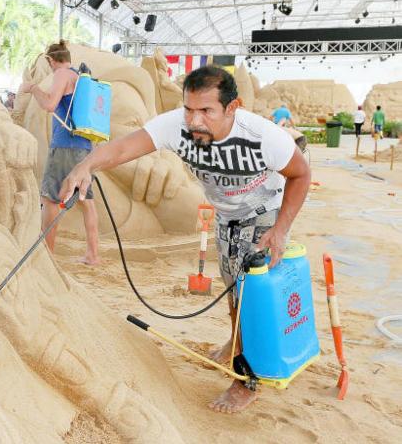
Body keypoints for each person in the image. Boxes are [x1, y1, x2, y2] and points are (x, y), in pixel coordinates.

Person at [59, 66, 311, 413]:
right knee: (231, 287)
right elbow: (122, 149)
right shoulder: (175, 124)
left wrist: (280, 229)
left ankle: (246, 380)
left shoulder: (263, 136)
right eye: (189, 109)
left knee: (251, 294)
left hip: (265, 210)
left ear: (232, 107)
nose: (194, 121)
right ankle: (236, 338)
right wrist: (84, 167)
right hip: (226, 214)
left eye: (206, 111)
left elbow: (301, 174)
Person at [19, 40, 100, 265]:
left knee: (50, 199)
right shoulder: (78, 76)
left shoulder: (62, 75)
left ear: (51, 60)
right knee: (85, 200)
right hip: (84, 147)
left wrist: (33, 88)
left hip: (65, 145)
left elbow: (50, 105)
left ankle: (47, 256)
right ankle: (93, 255)